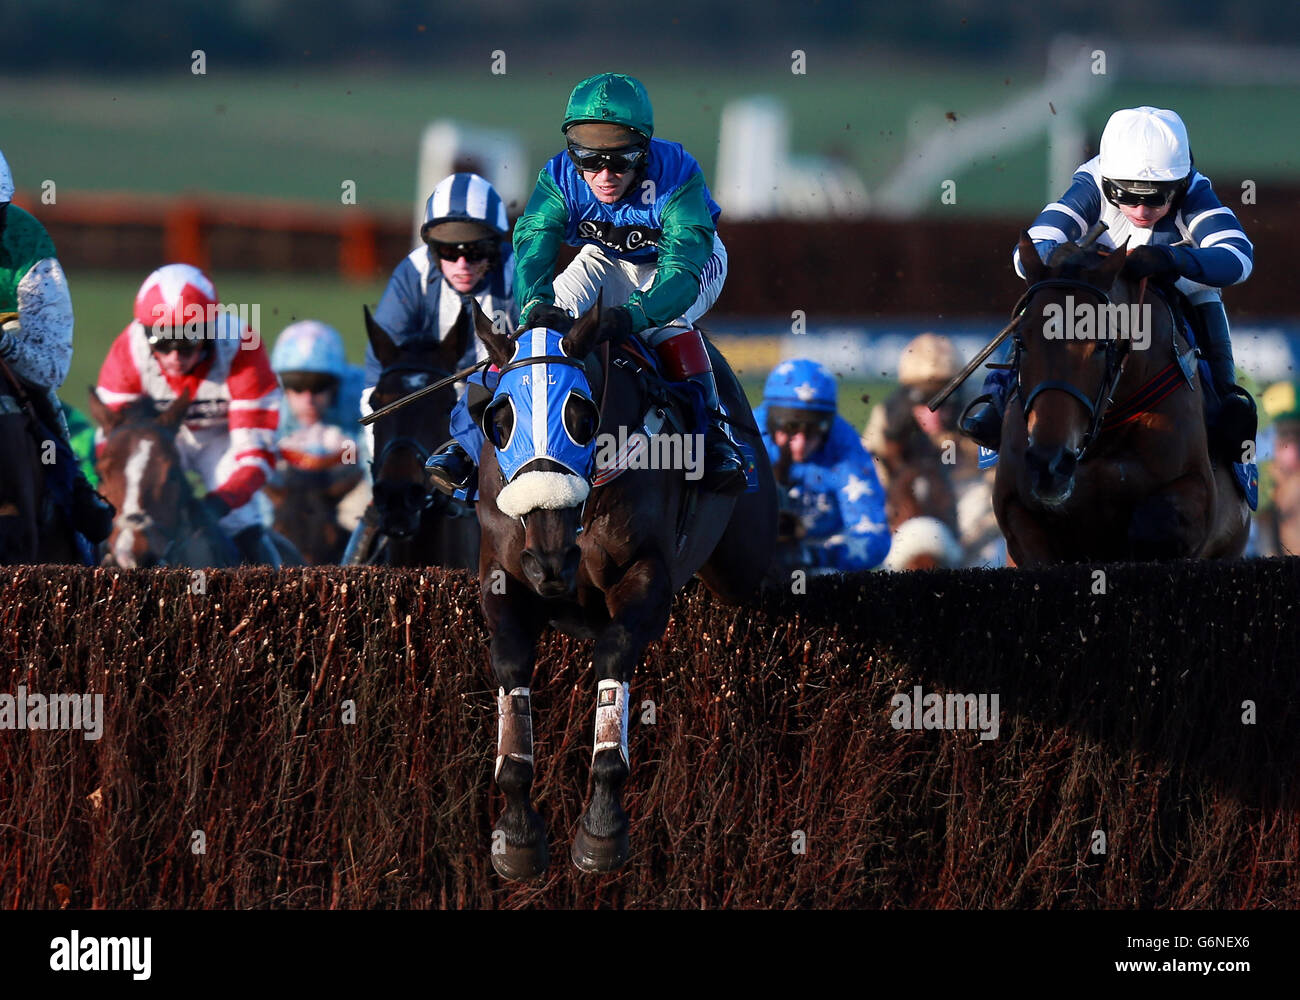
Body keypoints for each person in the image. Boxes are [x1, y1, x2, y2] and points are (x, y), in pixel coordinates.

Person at [427, 72, 746, 497]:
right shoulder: (559, 175)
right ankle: (466, 445)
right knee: (534, 338)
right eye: (589, 158)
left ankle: (714, 439)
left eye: (621, 158)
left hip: (687, 264)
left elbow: (682, 268)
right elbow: (533, 241)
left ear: (645, 149)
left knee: (665, 328)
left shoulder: (679, 174)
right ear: (572, 151)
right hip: (604, 258)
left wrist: (632, 316)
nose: (605, 173)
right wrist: (535, 301)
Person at [960, 106, 1257, 470]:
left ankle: (1225, 398)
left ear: (1179, 186)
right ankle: (996, 397)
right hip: (1095, 282)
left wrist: (1169, 259)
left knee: (1204, 292)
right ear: (1107, 182)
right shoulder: (1090, 181)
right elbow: (1031, 250)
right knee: (1046, 293)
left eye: (1156, 197)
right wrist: (1071, 260)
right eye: (1126, 196)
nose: (1141, 209)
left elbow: (1239, 257)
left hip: (1169, 283)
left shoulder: (1194, 192)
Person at [344, 171, 517, 563]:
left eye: (475, 251)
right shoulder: (412, 275)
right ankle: (350, 573)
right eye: (447, 251)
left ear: (496, 245)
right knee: (378, 499)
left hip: (506, 412)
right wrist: (382, 463)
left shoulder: (519, 276)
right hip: (433, 417)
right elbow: (377, 385)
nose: (460, 262)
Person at [95, 263, 282, 564]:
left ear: (209, 334)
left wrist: (222, 503)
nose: (173, 357)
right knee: (126, 512)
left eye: (186, 344)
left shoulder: (240, 346)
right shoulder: (128, 350)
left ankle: (272, 585)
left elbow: (256, 454)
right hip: (162, 444)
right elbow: (113, 449)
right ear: (145, 334)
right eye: (162, 343)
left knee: (241, 518)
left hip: (223, 439)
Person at [0, 148, 115, 551]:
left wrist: (3, 344)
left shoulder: (27, 243)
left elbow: (50, 368)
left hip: (9, 352)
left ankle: (72, 491)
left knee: (38, 395)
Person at [755, 359, 890, 573]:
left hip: (821, 552)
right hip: (752, 549)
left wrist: (812, 556)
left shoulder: (845, 446)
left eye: (814, 430)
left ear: (828, 425)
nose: (799, 444)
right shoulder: (747, 438)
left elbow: (874, 537)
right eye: (789, 428)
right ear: (771, 422)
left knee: (826, 579)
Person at [268, 320, 369, 532]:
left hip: (345, 486)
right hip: (286, 489)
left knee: (365, 517)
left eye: (319, 385)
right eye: (295, 385)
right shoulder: (264, 401)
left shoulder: (362, 396)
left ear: (337, 384)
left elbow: (371, 463)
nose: (308, 399)